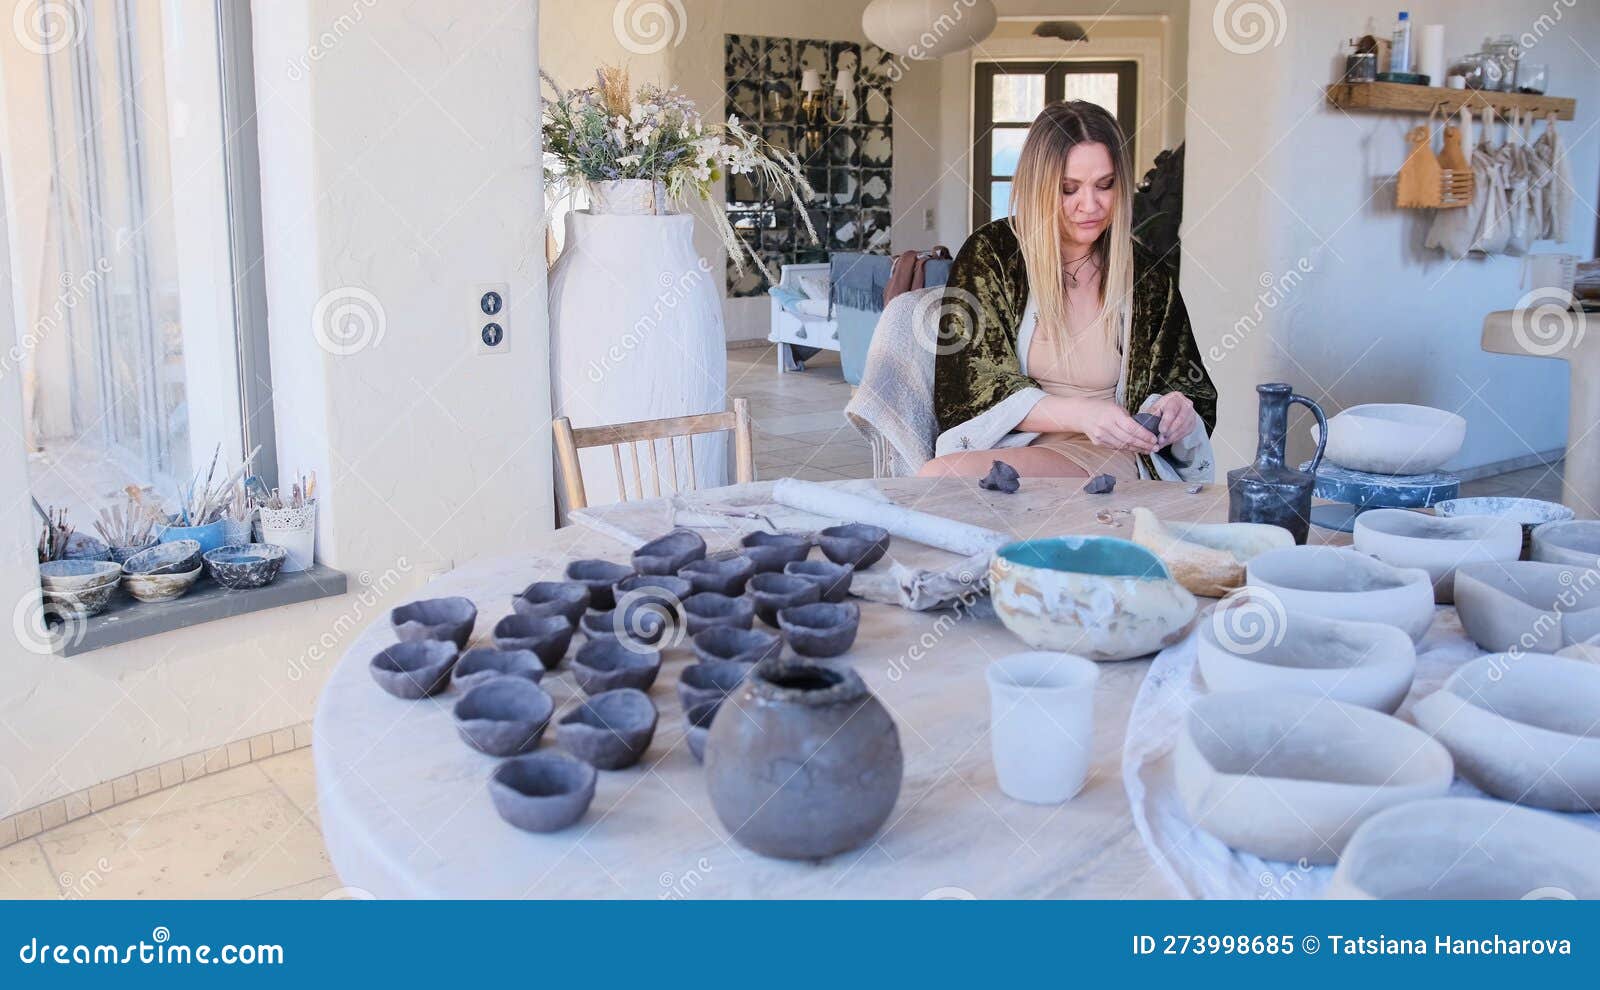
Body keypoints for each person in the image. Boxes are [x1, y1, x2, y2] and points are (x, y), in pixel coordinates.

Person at [918, 100, 1216, 481]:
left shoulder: (1147, 277)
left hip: (1109, 457)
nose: (1089, 205)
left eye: (1105, 185)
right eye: (1068, 189)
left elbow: (1187, 384)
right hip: (1015, 444)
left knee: (941, 480)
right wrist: (1084, 414)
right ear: (1038, 185)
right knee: (939, 478)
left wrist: (1175, 411)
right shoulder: (994, 254)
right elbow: (970, 387)